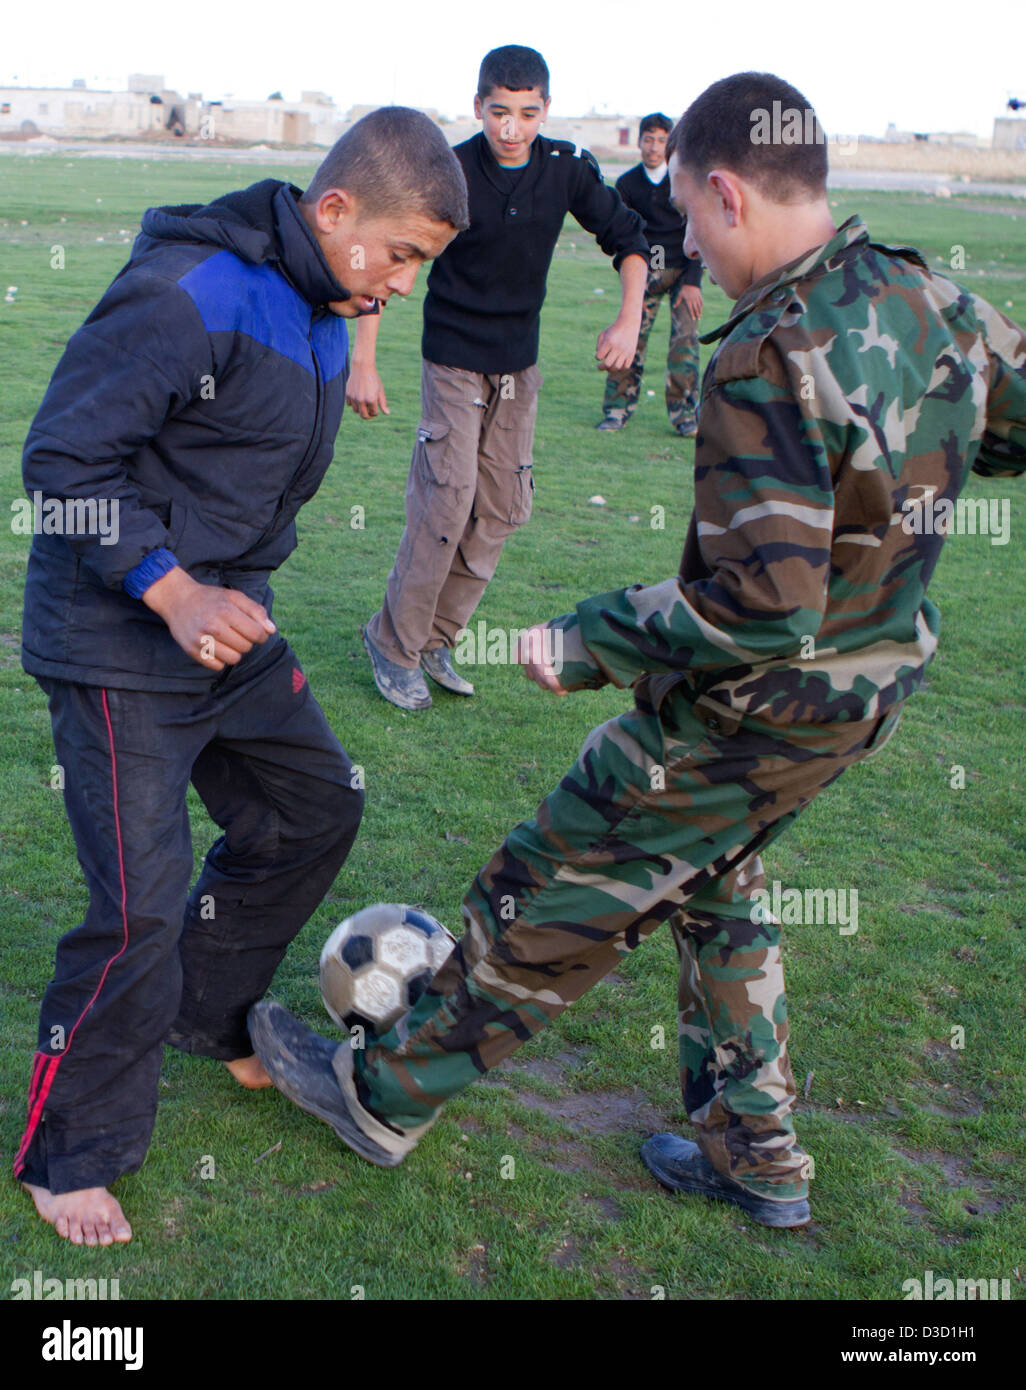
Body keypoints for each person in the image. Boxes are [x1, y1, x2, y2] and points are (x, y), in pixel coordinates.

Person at [249, 72, 1026, 1228]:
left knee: (544, 887)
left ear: (724, 192)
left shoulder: (764, 353)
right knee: (718, 896)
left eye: (688, 227)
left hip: (747, 712)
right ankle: (752, 1148)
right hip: (861, 704)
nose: (688, 257)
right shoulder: (935, 298)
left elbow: (765, 603)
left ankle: (378, 1092)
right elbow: (1003, 435)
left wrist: (587, 637)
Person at [14, 107, 468, 1246]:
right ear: (332, 212)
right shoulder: (192, 289)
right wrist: (170, 588)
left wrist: (223, 594)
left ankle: (210, 1009)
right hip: (121, 635)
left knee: (316, 802)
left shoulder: (327, 303)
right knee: (138, 912)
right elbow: (60, 465)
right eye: (402, 254)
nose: (404, 284)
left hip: (229, 631)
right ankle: (68, 1153)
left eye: (422, 264)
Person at [353, 44, 650, 711]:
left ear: (545, 109)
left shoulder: (567, 168)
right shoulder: (450, 172)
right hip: (453, 358)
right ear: (478, 106)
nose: (511, 129)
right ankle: (393, 644)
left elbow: (630, 243)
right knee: (446, 501)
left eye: (527, 113)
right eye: (499, 112)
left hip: (519, 364)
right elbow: (390, 259)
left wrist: (628, 322)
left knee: (500, 509)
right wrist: (364, 362)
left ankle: (435, 638)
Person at [597, 112, 703, 436]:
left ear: (670, 143)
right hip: (646, 272)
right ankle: (617, 409)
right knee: (630, 340)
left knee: (684, 345)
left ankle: (685, 416)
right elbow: (626, 235)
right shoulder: (628, 184)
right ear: (639, 142)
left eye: (661, 140)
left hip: (683, 273)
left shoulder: (683, 179)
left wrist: (693, 283)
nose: (654, 147)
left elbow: (697, 229)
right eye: (648, 139)